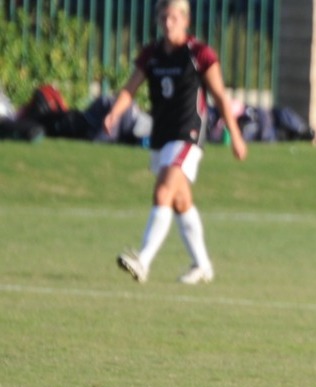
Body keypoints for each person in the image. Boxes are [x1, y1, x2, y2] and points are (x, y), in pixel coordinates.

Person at [105, 0, 247, 285]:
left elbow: (219, 95)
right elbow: (130, 89)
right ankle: (203, 265)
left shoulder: (199, 54)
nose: (167, 23)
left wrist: (236, 135)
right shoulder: (152, 55)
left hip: (188, 134)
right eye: (163, 17)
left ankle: (143, 261)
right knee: (181, 201)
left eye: (173, 18)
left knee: (163, 192)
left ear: (185, 20)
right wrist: (113, 113)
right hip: (162, 136)